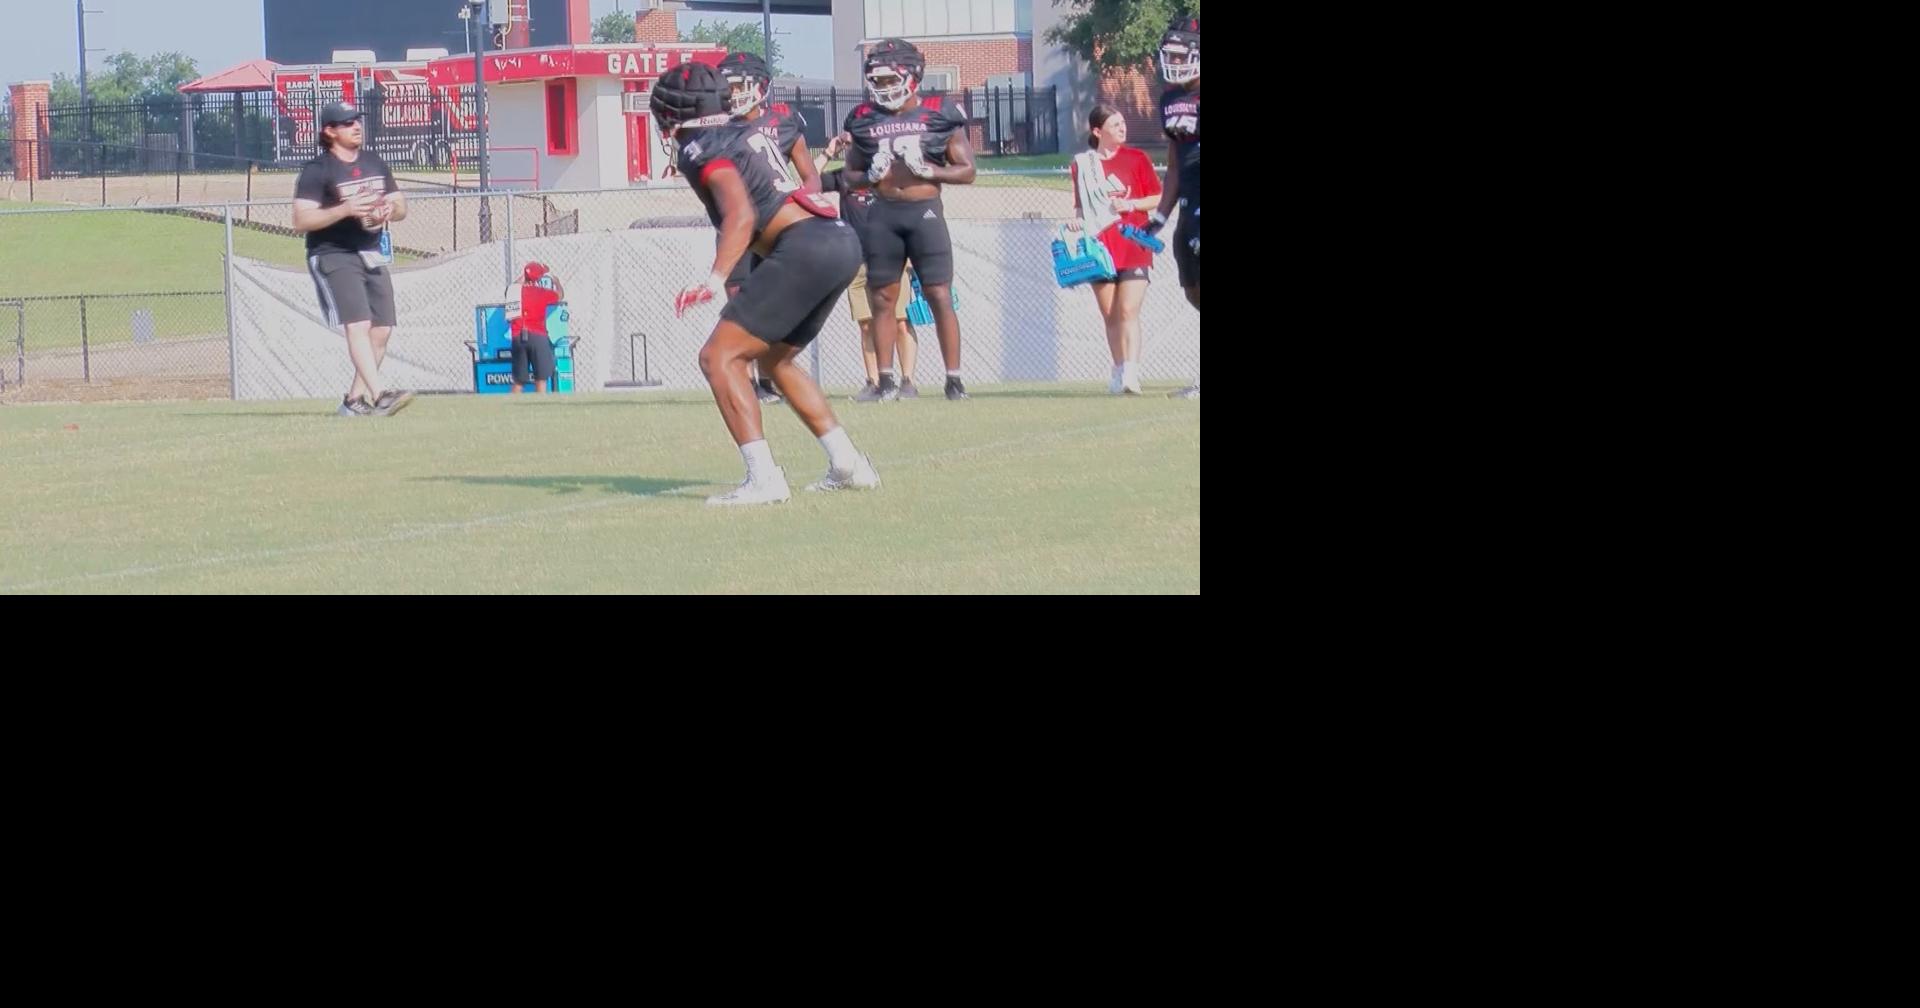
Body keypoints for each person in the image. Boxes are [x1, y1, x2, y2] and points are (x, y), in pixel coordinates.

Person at [651, 61, 880, 506]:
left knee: (719, 357)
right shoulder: (741, 130)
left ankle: (763, 479)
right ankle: (848, 463)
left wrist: (714, 278)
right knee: (776, 362)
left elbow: (742, 214)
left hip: (802, 245)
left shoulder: (698, 146)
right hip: (834, 240)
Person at [841, 38, 975, 401]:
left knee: (938, 293)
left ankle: (954, 379)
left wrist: (928, 169)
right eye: (878, 81)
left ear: (913, 77)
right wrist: (870, 173)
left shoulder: (938, 111)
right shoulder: (865, 119)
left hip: (925, 212)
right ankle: (885, 380)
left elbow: (967, 171)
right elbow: (847, 176)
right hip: (882, 213)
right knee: (882, 297)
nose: (883, 88)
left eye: (890, 80)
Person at [291, 100, 414, 417]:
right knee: (358, 324)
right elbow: (301, 220)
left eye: (357, 120)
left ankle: (353, 402)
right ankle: (380, 395)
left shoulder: (374, 162)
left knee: (381, 330)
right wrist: (345, 210)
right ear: (329, 131)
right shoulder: (317, 171)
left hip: (371, 251)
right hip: (333, 253)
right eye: (347, 123)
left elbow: (400, 206)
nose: (356, 126)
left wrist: (389, 210)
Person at [717, 50, 818, 407]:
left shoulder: (785, 121)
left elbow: (809, 176)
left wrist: (804, 208)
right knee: (738, 299)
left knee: (774, 303)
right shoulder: (717, 127)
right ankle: (748, 382)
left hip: (778, 223)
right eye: (726, 87)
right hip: (737, 225)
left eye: (738, 86)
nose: (732, 94)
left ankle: (769, 377)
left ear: (760, 86)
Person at [817, 131, 924, 401]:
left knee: (899, 320)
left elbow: (912, 210)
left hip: (891, 256)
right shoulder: (844, 177)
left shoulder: (892, 174)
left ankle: (907, 381)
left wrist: (912, 252)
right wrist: (829, 152)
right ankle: (874, 381)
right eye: (852, 147)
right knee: (866, 324)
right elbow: (804, 184)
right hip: (856, 258)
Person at [1069, 105, 1162, 395]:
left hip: (1133, 243)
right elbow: (1080, 206)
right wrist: (1076, 221)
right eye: (1115, 124)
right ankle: (1119, 368)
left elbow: (1158, 196)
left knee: (1127, 309)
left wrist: (1131, 205)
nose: (1122, 128)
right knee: (1110, 312)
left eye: (1123, 123)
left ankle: (1132, 373)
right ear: (1098, 131)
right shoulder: (1082, 165)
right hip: (1100, 246)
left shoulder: (1137, 158)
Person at [1143, 16, 1200, 400]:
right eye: (1170, 55)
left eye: (1182, 55)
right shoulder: (1170, 98)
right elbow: (1176, 158)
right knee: (1192, 289)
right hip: (1188, 201)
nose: (1174, 62)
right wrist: (1161, 214)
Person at [505, 261, 564, 394]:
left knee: (518, 381)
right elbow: (559, 295)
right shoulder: (542, 293)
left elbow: (514, 286)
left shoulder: (513, 292)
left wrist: (524, 276)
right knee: (541, 378)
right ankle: (540, 405)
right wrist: (557, 282)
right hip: (538, 336)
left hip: (517, 337)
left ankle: (510, 408)